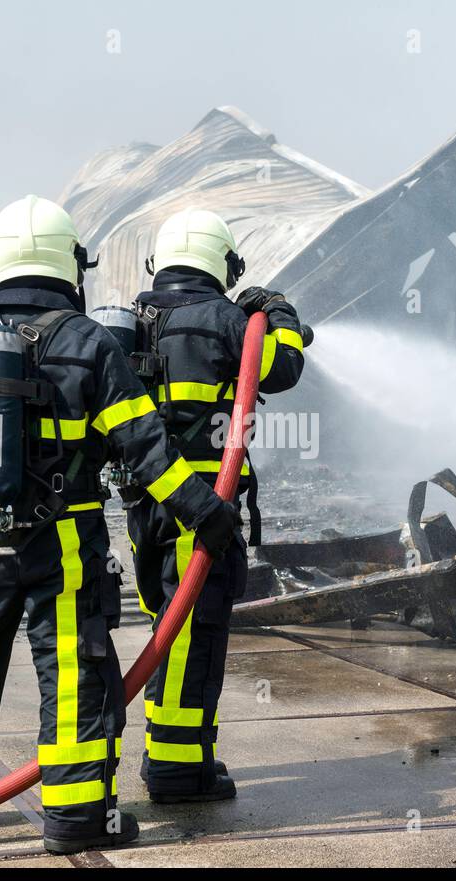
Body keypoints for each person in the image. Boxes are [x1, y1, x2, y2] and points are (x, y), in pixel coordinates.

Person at [0, 195, 237, 853]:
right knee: (76, 672)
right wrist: (205, 513)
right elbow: (147, 450)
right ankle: (79, 818)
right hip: (63, 547)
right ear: (71, 266)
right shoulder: (87, 344)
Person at [126, 208, 310, 803]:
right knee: (194, 631)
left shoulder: (132, 321)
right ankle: (178, 770)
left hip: (145, 503)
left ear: (161, 262)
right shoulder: (230, 320)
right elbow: (283, 364)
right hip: (206, 507)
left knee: (168, 622)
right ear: (224, 265)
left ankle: (178, 753)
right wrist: (277, 308)